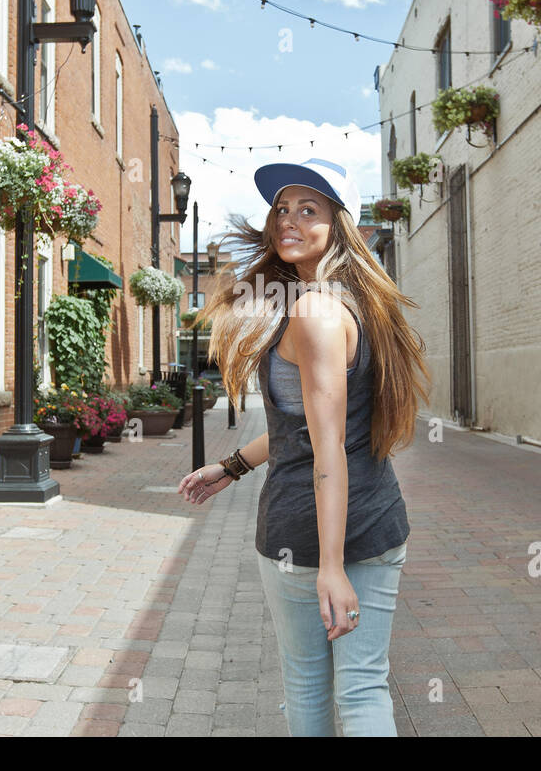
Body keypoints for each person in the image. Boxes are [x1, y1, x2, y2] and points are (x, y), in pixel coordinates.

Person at [177, 158, 431, 736]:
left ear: (340, 226)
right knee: (366, 683)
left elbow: (328, 452)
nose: (288, 220)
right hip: (379, 520)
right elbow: (310, 429)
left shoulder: (315, 310)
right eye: (282, 209)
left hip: (310, 531)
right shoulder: (356, 303)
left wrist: (333, 566)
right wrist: (233, 464)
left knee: (322, 689)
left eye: (308, 209)